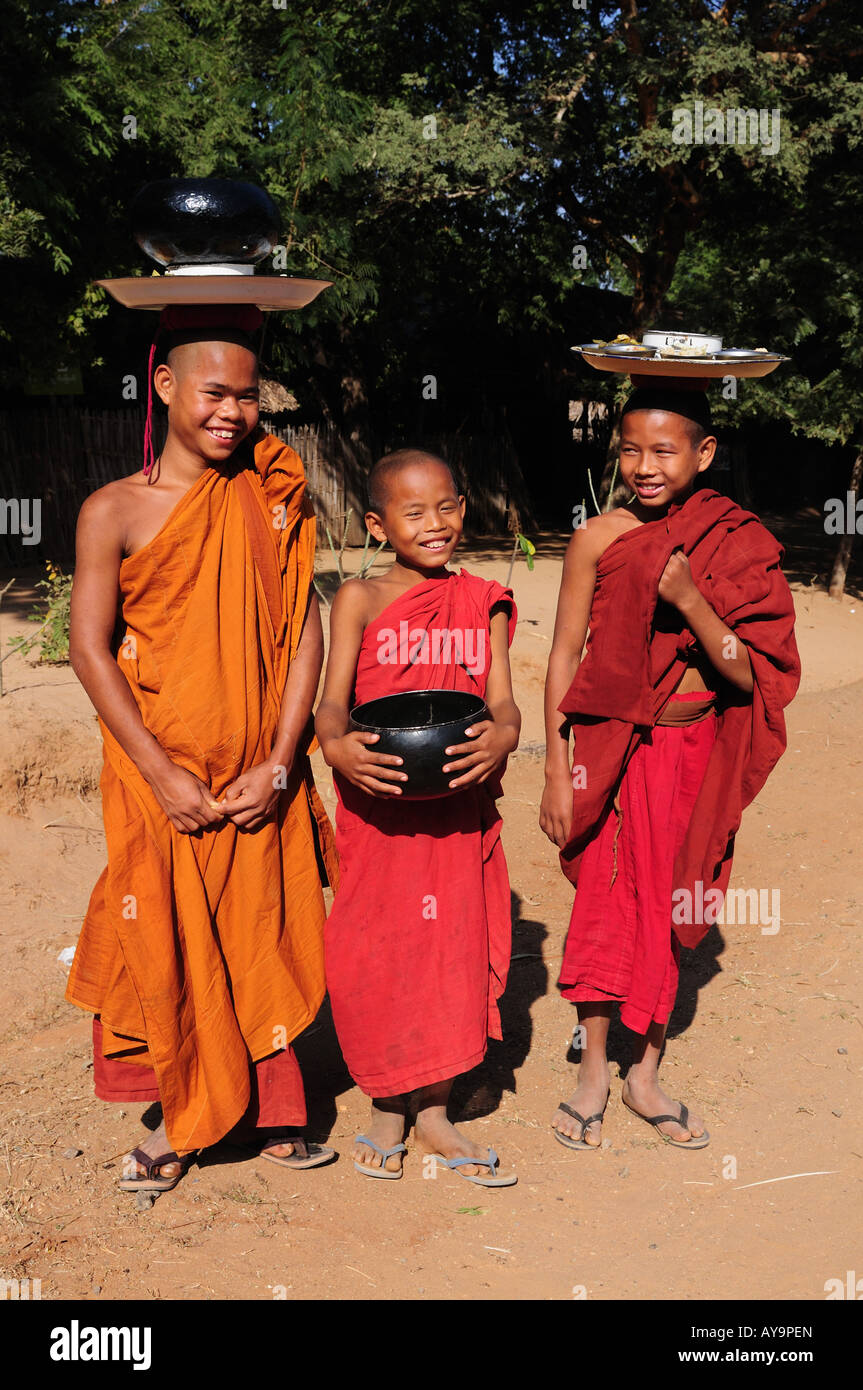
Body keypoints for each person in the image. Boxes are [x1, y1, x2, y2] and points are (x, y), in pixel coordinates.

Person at [66, 305, 338, 1192]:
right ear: (166, 386)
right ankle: (184, 1121)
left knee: (262, 928)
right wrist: (160, 771)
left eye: (249, 396)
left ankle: (277, 1112)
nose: (233, 412)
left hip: (258, 769)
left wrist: (281, 761)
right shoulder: (113, 509)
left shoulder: (269, 498)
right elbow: (88, 648)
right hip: (159, 774)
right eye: (215, 392)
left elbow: (303, 630)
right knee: (171, 936)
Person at [540, 385, 800, 1151]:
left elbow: (750, 674)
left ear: (702, 454)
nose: (643, 466)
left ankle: (643, 1073)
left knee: (668, 904)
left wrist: (688, 597)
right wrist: (557, 770)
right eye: (629, 449)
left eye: (662, 450)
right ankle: (592, 1068)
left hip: (691, 752)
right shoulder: (596, 537)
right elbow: (562, 655)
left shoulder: (735, 539)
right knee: (602, 903)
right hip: (610, 751)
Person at [316, 449, 521, 1187]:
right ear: (377, 525)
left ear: (463, 509)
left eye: (447, 507)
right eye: (413, 513)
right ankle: (385, 1101)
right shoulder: (359, 600)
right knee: (376, 945)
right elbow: (331, 702)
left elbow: (502, 704)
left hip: (458, 808)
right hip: (378, 809)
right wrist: (335, 745)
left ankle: (433, 1108)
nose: (435, 525)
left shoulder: (483, 599)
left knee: (449, 948)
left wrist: (503, 734)